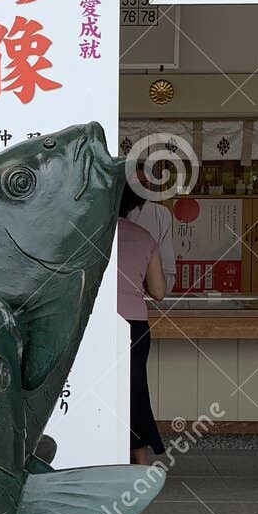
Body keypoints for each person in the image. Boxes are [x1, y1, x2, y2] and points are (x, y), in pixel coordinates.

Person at [117, 188, 167, 464]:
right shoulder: (144, 237)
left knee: (96, 391)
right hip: (134, 324)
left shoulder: (86, 237)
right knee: (134, 391)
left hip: (93, 327)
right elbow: (159, 292)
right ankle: (139, 460)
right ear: (133, 206)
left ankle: (95, 454)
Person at [131, 162, 177, 293]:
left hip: (154, 291)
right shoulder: (117, 213)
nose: (142, 187)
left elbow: (167, 264)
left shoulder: (161, 214)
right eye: (137, 184)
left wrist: (159, 287)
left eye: (145, 183)